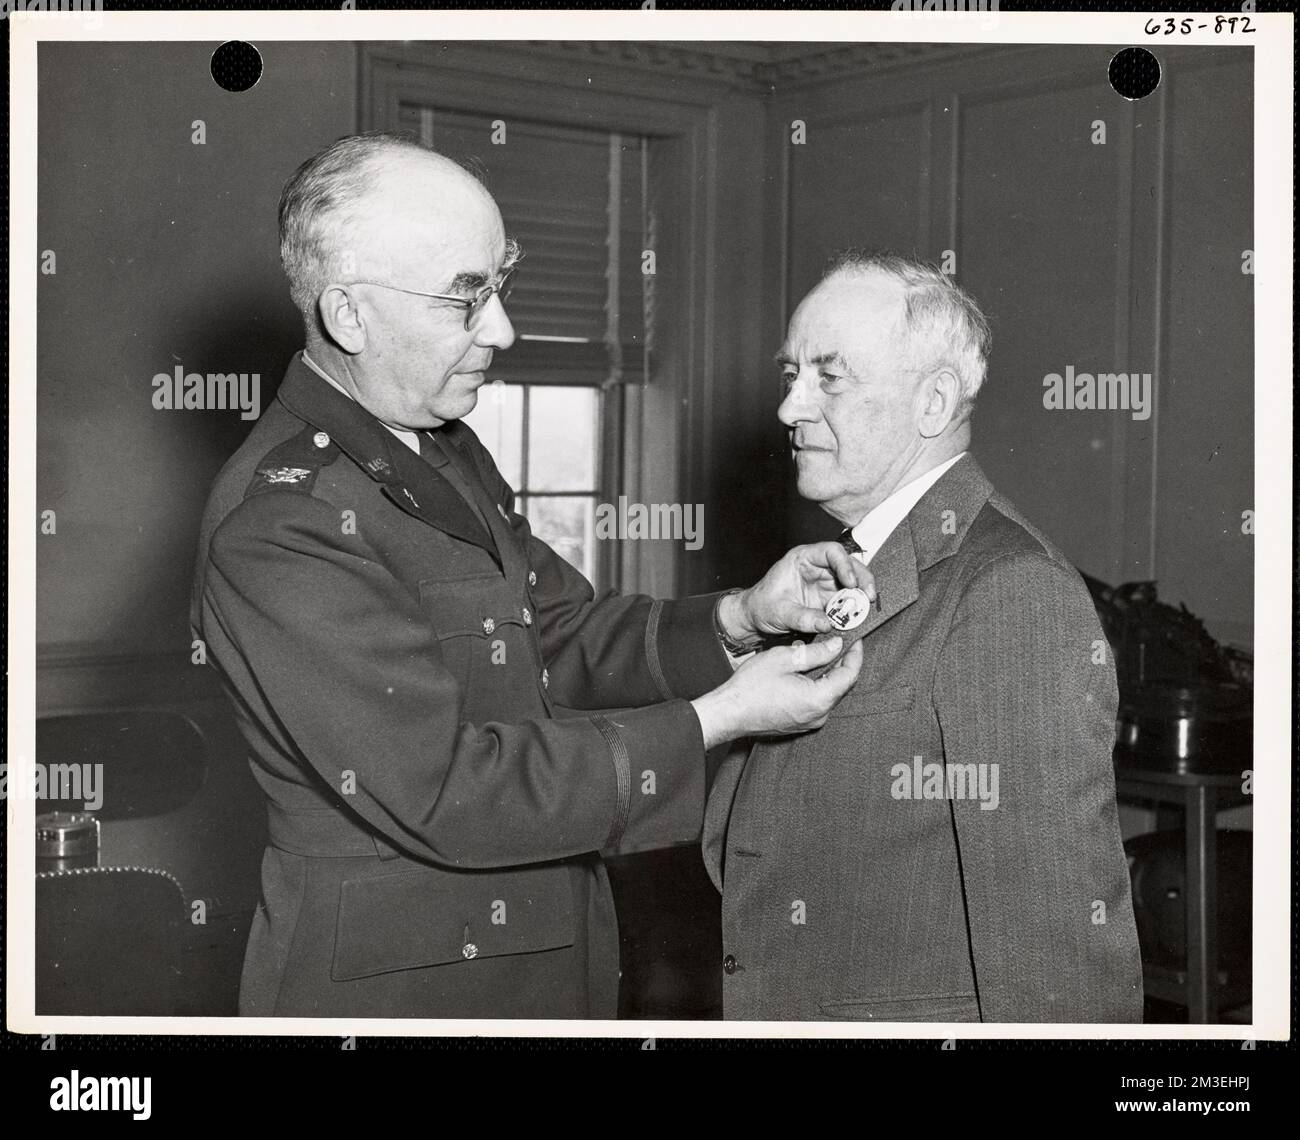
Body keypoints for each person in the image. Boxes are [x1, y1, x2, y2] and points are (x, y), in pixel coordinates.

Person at [191, 133, 867, 1018]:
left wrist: (742, 617)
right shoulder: (284, 519)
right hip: (402, 990)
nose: (503, 330)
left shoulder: (436, 448)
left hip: (545, 954)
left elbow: (559, 635)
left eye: (499, 285)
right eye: (465, 299)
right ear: (349, 315)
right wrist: (721, 718)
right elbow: (447, 789)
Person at [703, 250, 1143, 1022]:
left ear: (934, 402)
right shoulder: (847, 566)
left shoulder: (1010, 589)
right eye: (790, 375)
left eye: (828, 378)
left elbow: (1058, 943)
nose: (789, 409)